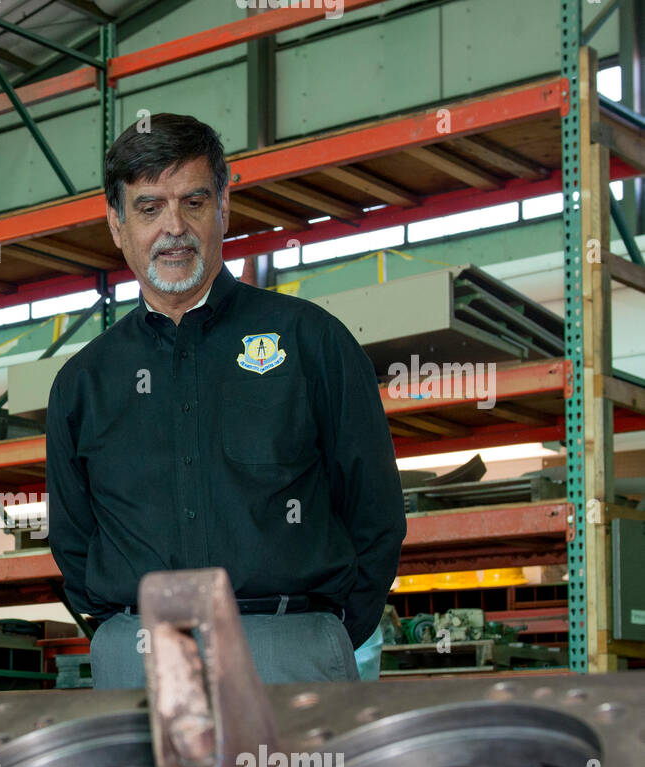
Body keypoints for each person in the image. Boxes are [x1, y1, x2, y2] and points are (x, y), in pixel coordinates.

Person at [47, 113, 405, 688]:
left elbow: (375, 510)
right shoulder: (83, 383)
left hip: (290, 653)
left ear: (223, 208)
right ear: (116, 224)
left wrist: (326, 632)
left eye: (193, 201)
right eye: (148, 208)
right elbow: (73, 541)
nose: (174, 228)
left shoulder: (311, 342)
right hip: (137, 659)